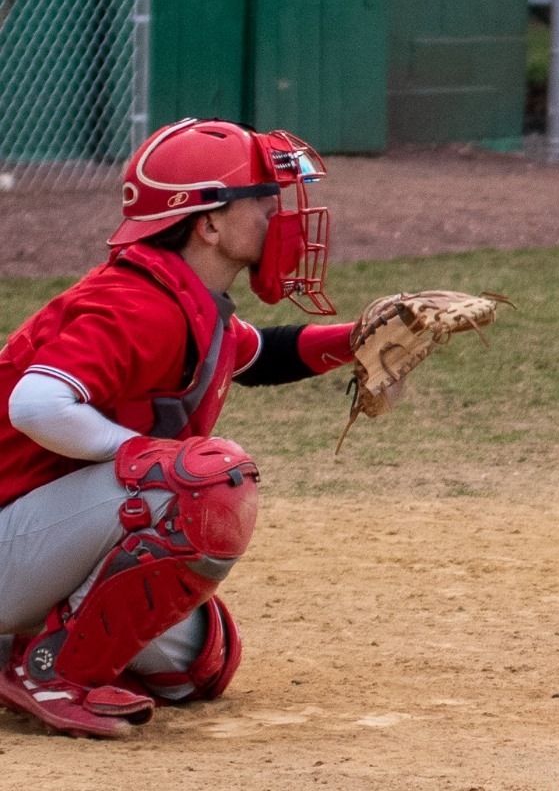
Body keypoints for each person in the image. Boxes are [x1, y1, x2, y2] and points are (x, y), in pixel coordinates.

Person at [0, 118, 353, 738]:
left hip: (29, 539)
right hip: (12, 534)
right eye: (264, 203)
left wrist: (361, 340)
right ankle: (48, 673)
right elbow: (36, 405)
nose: (282, 217)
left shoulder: (185, 295)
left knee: (198, 664)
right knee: (201, 480)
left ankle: (11, 648)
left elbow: (260, 356)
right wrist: (138, 453)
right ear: (209, 222)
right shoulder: (137, 305)